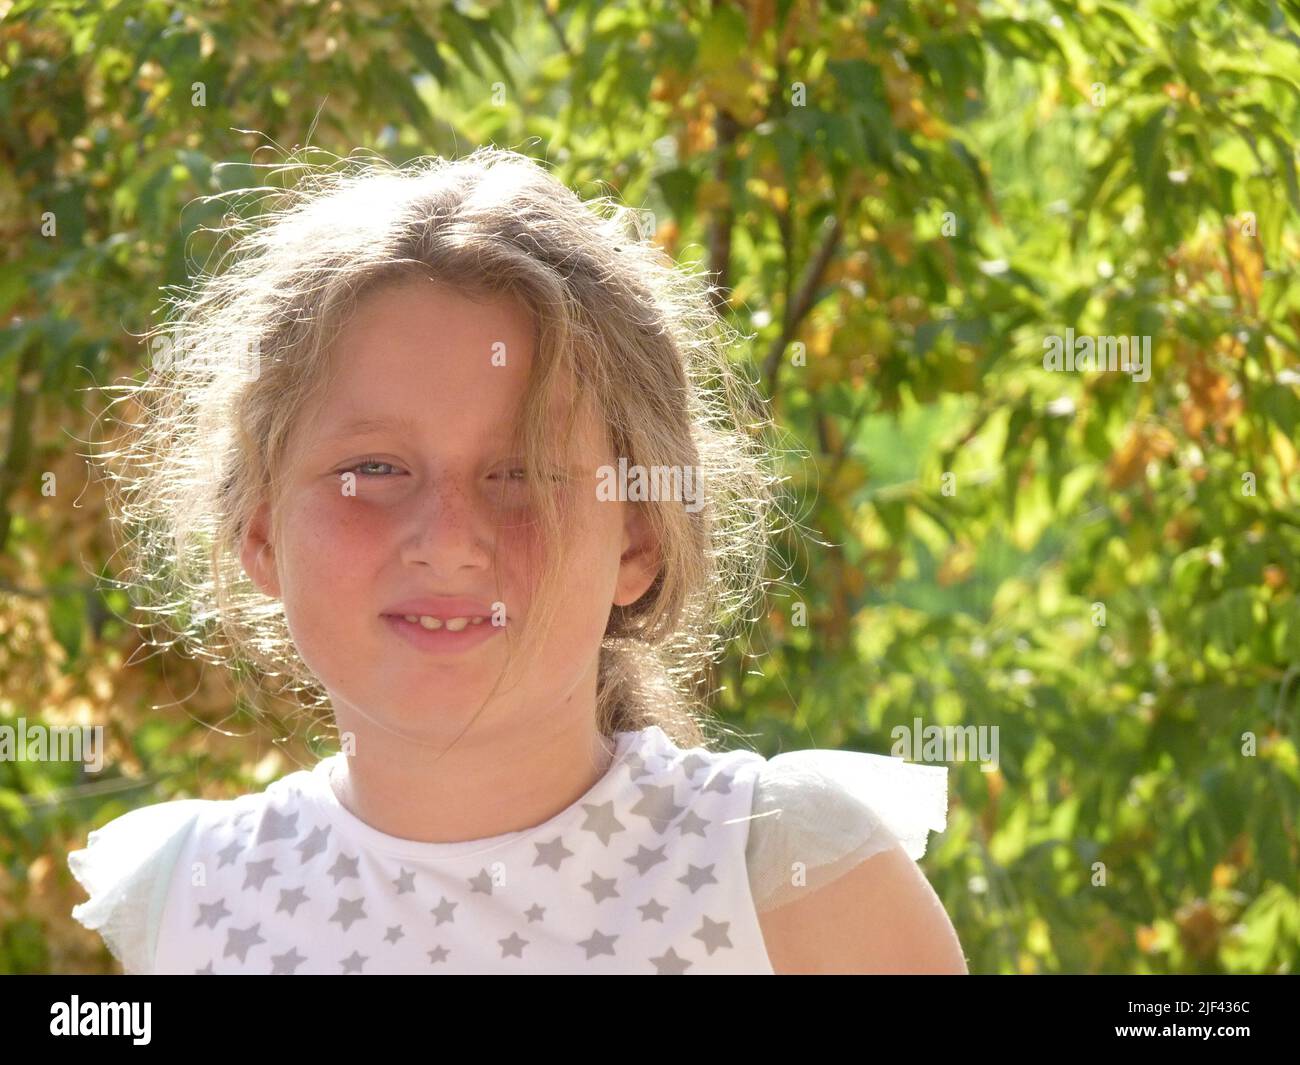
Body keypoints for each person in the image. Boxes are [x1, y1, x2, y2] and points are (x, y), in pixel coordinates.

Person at [69, 146, 966, 974]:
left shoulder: (792, 873)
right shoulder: (187, 904)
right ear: (260, 529)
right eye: (374, 469)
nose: (449, 538)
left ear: (640, 535)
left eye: (522, 472)